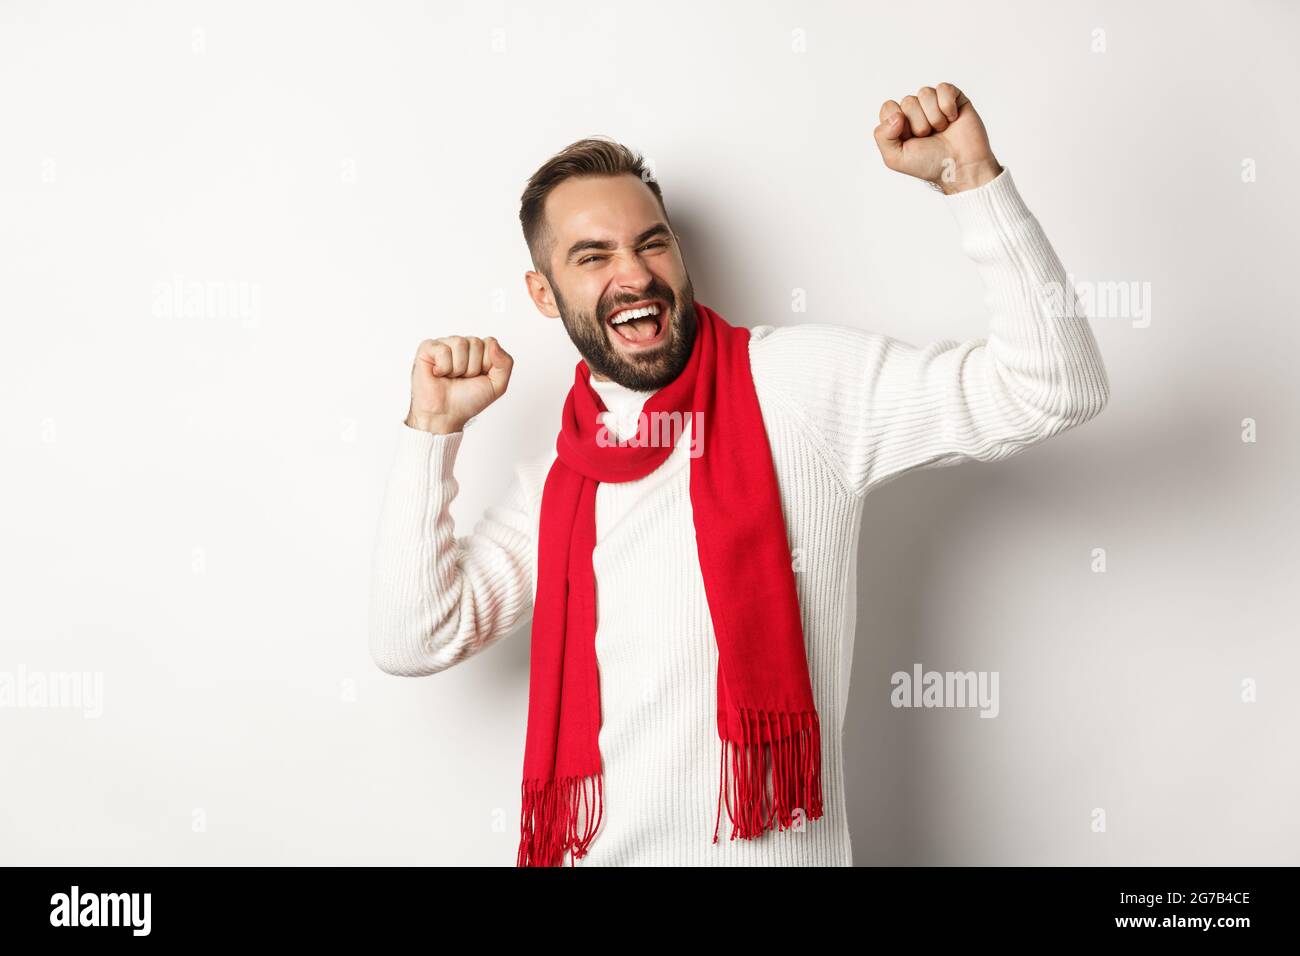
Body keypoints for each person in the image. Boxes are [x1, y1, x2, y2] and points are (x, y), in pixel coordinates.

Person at [368, 83, 1110, 866]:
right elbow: (414, 637)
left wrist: (973, 179)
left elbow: (1055, 388)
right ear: (544, 295)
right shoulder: (556, 483)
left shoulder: (799, 387)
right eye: (593, 256)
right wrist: (432, 433)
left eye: (652, 243)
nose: (635, 274)